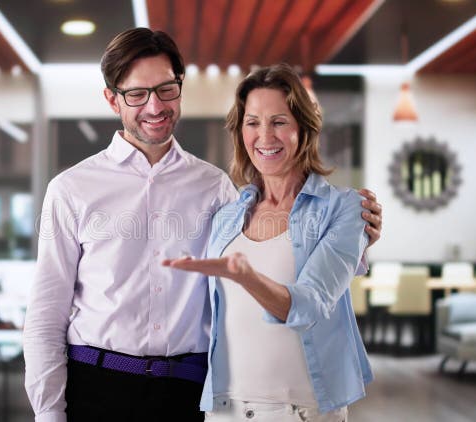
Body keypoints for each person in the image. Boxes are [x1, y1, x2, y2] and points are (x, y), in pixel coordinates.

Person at [23, 28, 382, 422]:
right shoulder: (72, 189)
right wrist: (48, 412)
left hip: (190, 393)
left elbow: (265, 256)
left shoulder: (216, 189)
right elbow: (45, 314)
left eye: (165, 90)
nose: (155, 106)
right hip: (96, 388)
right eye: (137, 94)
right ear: (112, 99)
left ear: (180, 87)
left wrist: (352, 243)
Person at [163, 64, 373, 422]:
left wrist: (247, 277)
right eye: (253, 123)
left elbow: (312, 304)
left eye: (279, 122)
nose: (265, 136)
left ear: (304, 129)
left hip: (302, 410)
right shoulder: (228, 215)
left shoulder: (345, 208)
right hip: (224, 408)